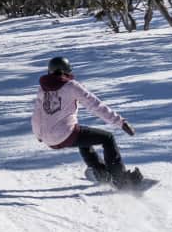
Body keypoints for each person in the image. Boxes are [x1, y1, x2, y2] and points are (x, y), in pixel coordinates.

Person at [32, 56, 142, 187]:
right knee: (108, 138)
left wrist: (39, 134)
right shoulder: (71, 86)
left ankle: (101, 172)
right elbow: (95, 105)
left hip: (49, 139)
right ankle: (121, 179)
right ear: (66, 71)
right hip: (65, 133)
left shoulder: (42, 90)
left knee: (82, 138)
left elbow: (37, 115)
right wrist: (120, 122)